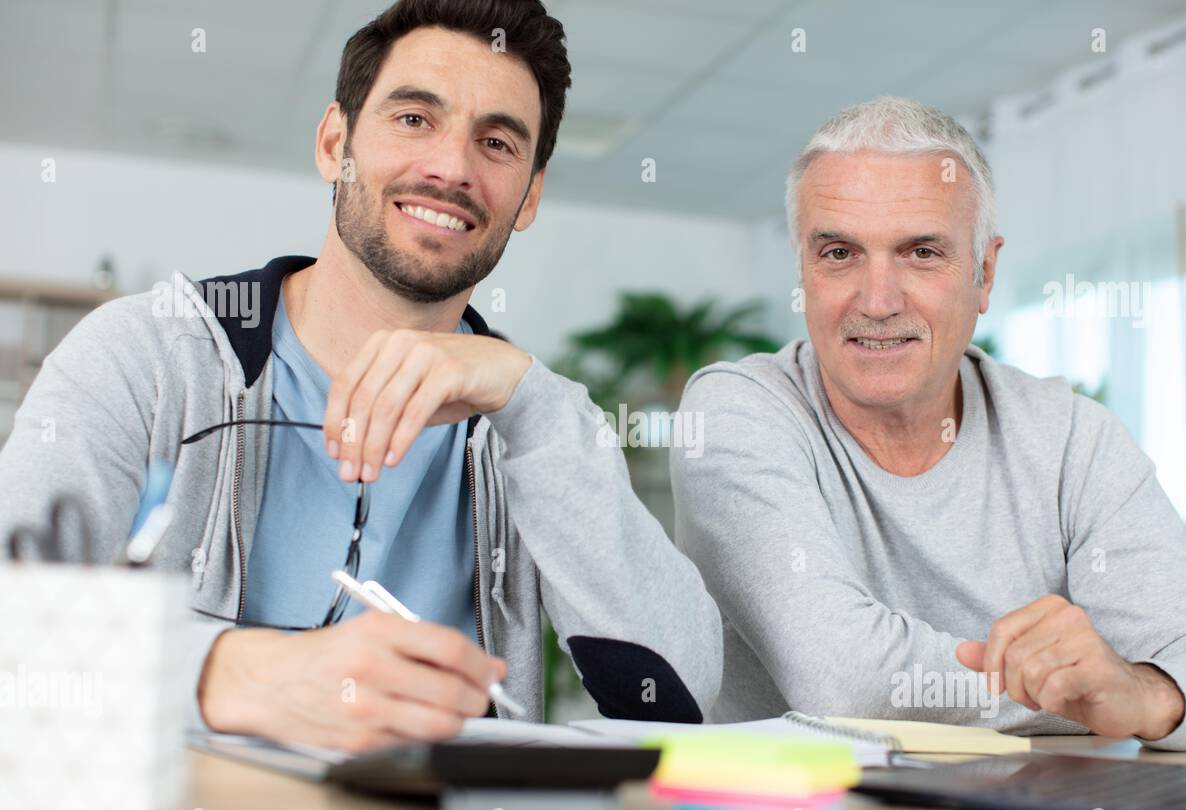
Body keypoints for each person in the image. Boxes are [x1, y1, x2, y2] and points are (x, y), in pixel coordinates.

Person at [0, 0, 721, 751]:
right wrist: (234, 673)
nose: (451, 168)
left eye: (498, 142)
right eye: (414, 119)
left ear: (530, 195)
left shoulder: (527, 424)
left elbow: (681, 699)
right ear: (333, 142)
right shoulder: (145, 354)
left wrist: (534, 405)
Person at [671, 96, 1186, 751]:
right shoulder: (735, 413)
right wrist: (1104, 699)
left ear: (984, 273)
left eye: (921, 252)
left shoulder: (1074, 438)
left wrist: (1145, 693)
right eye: (839, 253)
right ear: (804, 270)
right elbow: (848, 678)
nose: (877, 301)